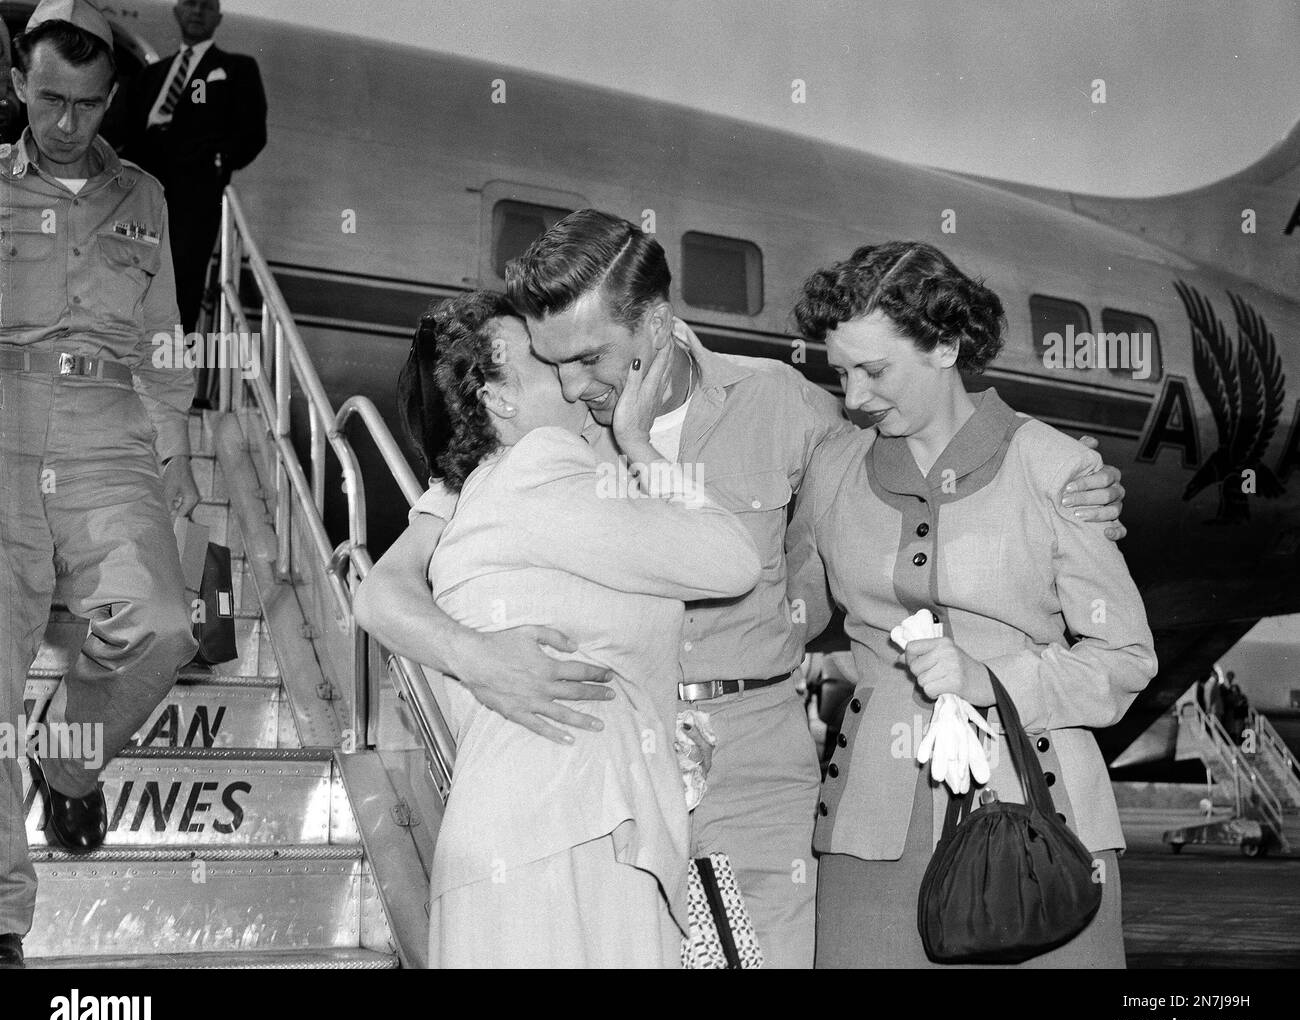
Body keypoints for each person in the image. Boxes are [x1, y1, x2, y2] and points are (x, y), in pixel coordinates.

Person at [353, 210, 1127, 968]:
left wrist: (1067, 483)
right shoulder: (548, 429)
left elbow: (918, 448)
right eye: (553, 362)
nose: (573, 381)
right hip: (609, 768)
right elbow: (384, 589)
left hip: (755, 761)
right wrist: (475, 655)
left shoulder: (783, 403)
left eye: (590, 357)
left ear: (654, 324)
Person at [358, 291, 760, 966]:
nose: (573, 371)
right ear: (496, 400)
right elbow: (733, 557)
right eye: (546, 358)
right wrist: (636, 440)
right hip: (574, 831)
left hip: (523, 834)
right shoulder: (542, 462)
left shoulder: (491, 479)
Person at [785, 241, 1158, 968]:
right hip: (873, 835)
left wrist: (992, 680)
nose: (854, 396)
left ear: (947, 345)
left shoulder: (1055, 466)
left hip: (1042, 830)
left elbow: (1126, 658)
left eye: (875, 370)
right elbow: (779, 618)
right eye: (841, 372)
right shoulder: (834, 467)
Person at [0, 0, 199, 971]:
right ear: (17, 85)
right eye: (47, 99)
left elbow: (164, 349)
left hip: (108, 434)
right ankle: (2, 918)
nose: (65, 124)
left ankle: (68, 757)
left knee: (162, 623)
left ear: (112, 97)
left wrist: (176, 472)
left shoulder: (150, 200)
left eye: (85, 104)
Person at [105, 0, 266, 332]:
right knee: (129, 273)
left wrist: (219, 163)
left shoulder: (236, 68)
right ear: (177, 12)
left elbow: (253, 133)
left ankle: (171, 364)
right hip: (141, 182)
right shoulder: (151, 75)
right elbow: (121, 129)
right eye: (190, 4)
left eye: (206, 7)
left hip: (193, 188)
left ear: (218, 18)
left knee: (182, 280)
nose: (197, 12)